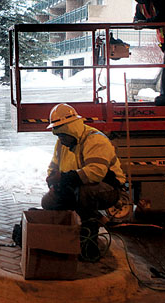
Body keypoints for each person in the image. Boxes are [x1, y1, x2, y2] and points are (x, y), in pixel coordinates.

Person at [41, 103, 126, 260]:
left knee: (86, 193)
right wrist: (53, 183)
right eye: (57, 135)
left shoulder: (95, 140)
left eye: (61, 135)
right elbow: (53, 166)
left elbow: (95, 174)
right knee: (48, 201)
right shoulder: (63, 143)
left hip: (107, 189)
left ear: (70, 130)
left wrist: (64, 178)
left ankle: (88, 242)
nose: (60, 139)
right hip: (76, 186)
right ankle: (68, 235)